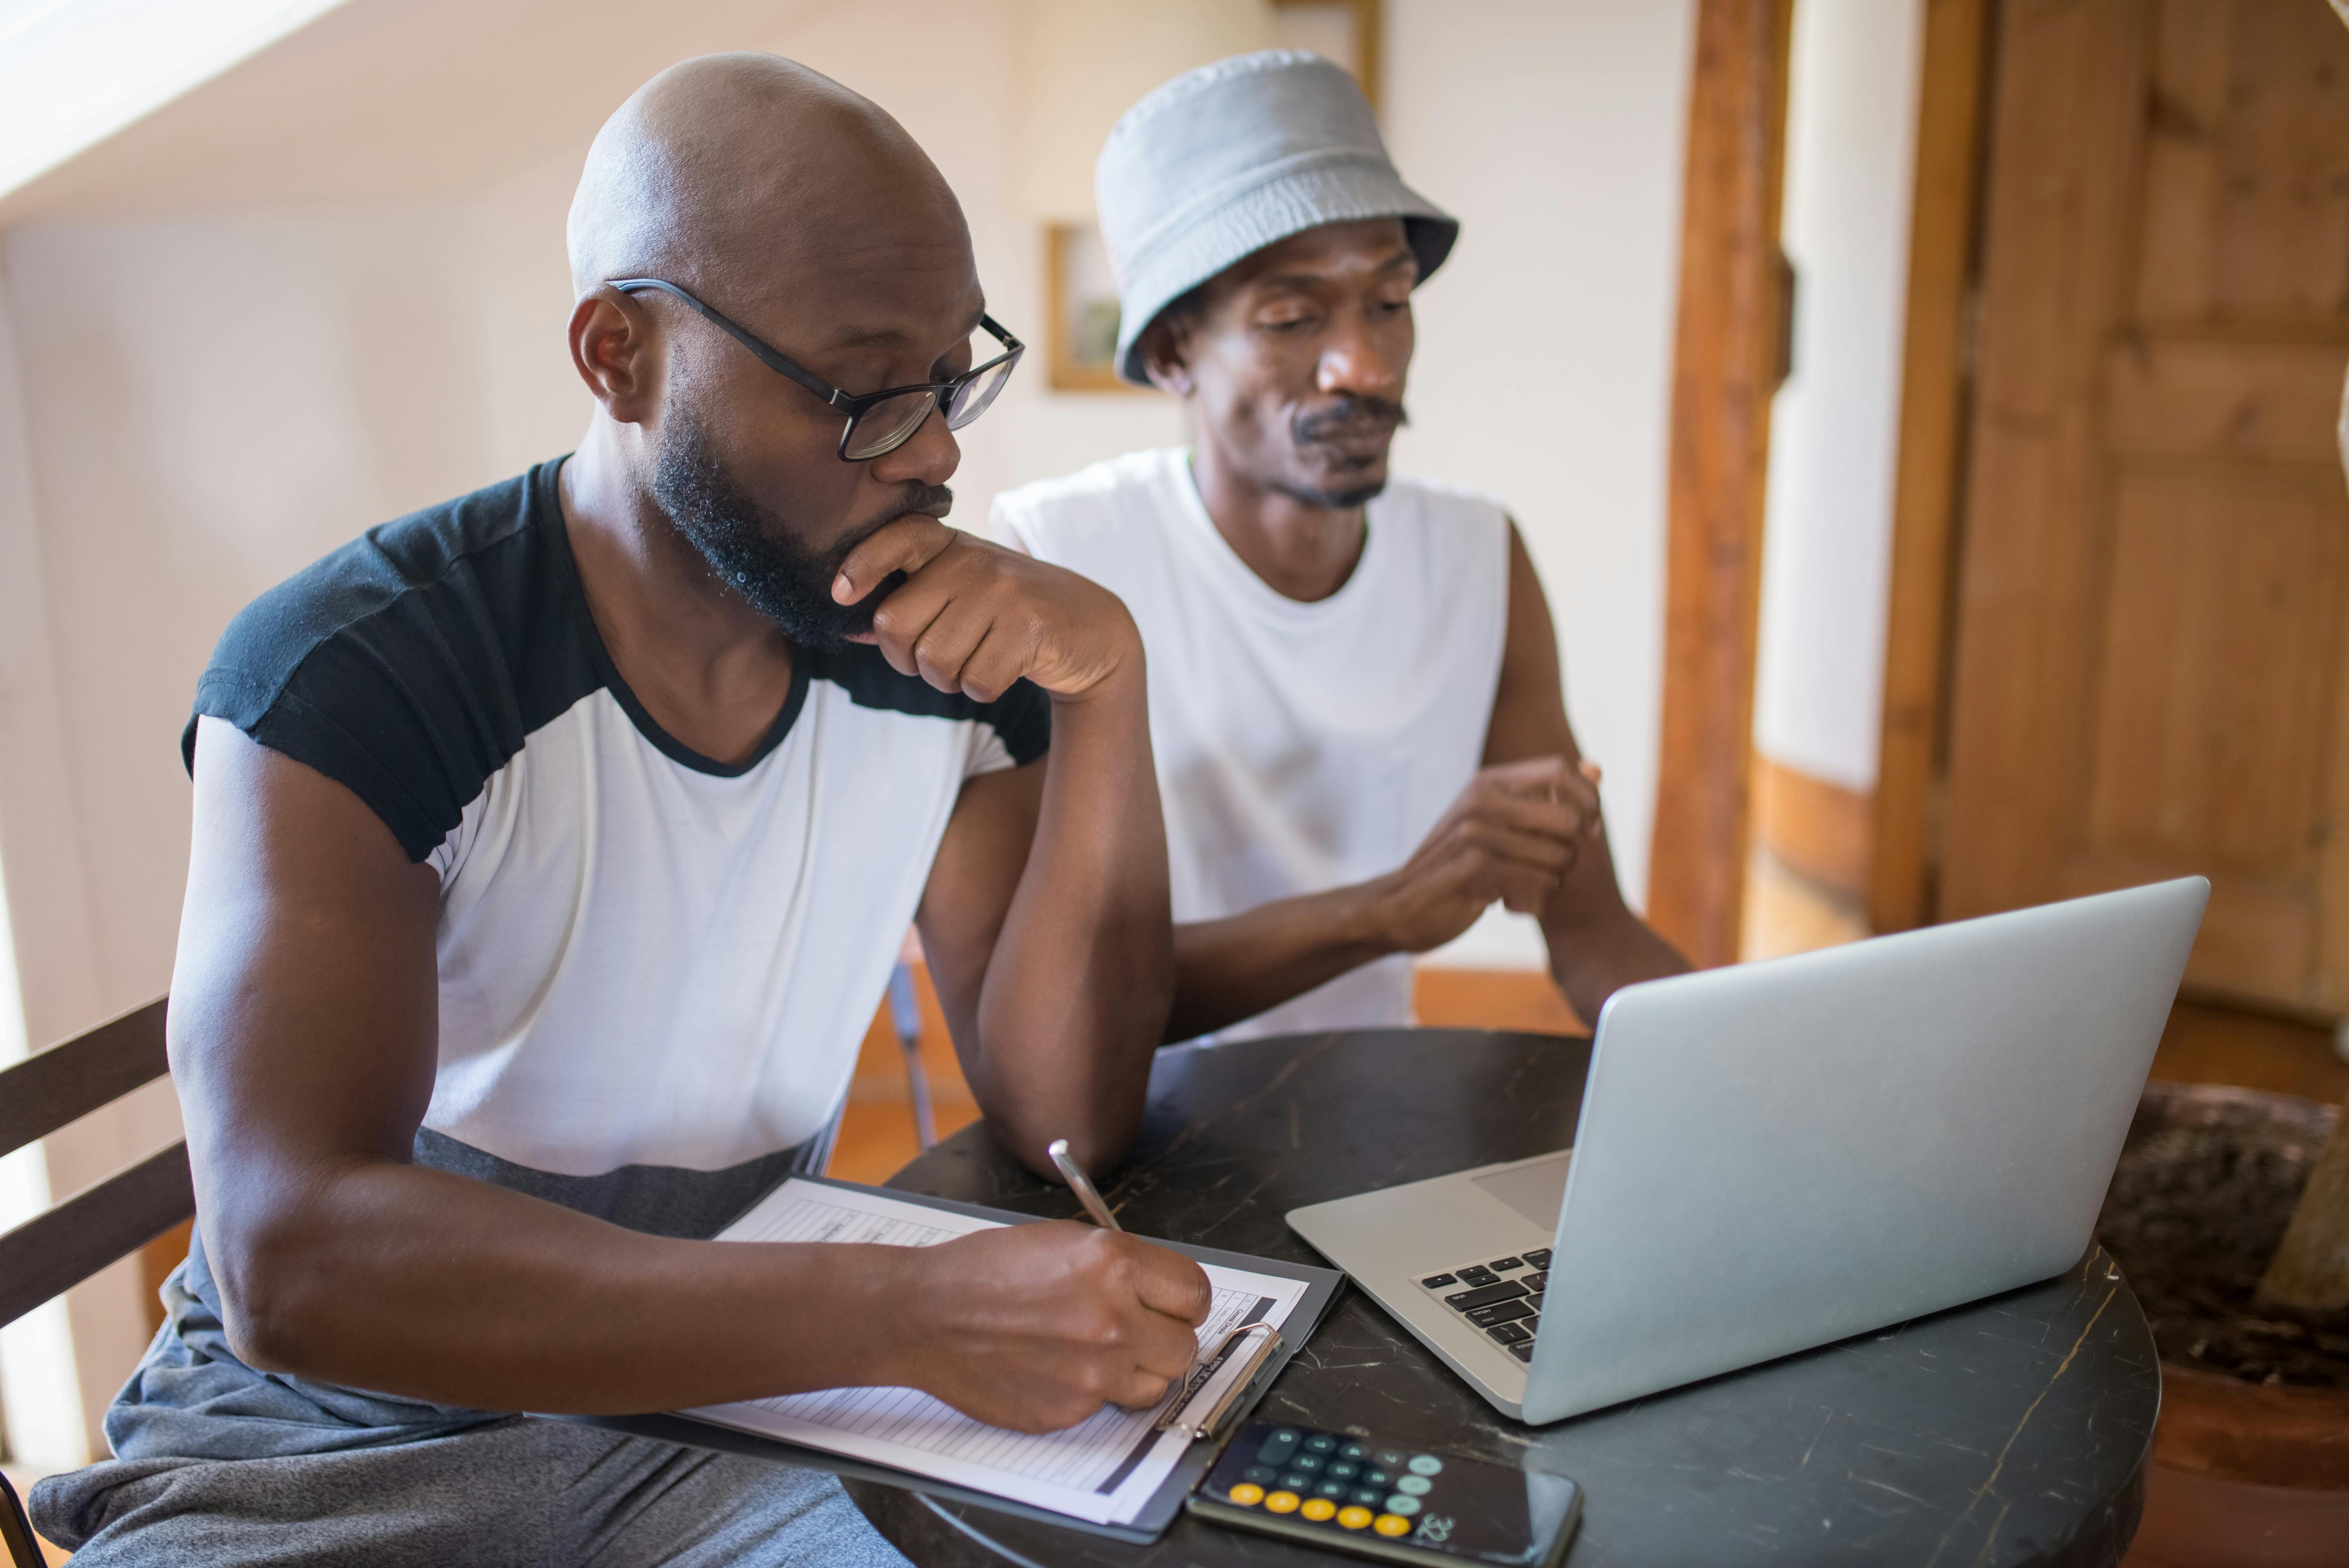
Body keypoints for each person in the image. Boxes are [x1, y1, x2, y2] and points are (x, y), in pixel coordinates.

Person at [32, 53, 1211, 1567]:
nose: (932, 452)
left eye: (950, 373)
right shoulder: (356, 668)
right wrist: (898, 1308)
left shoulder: (934, 652)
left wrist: (1106, 682)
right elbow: (290, 1253)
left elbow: (1065, 1116)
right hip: (320, 1451)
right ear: (620, 355)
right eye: (861, 390)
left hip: (726, 1413)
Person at [992, 52, 1688, 1043]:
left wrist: (1764, 1090)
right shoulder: (1057, 556)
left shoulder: (1477, 558)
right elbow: (1049, 1003)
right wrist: (1384, 911)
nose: (1363, 366)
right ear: (1172, 353)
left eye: (1390, 302)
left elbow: (1593, 937)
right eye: (1290, 317)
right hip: (1118, 1130)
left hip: (1366, 1113)